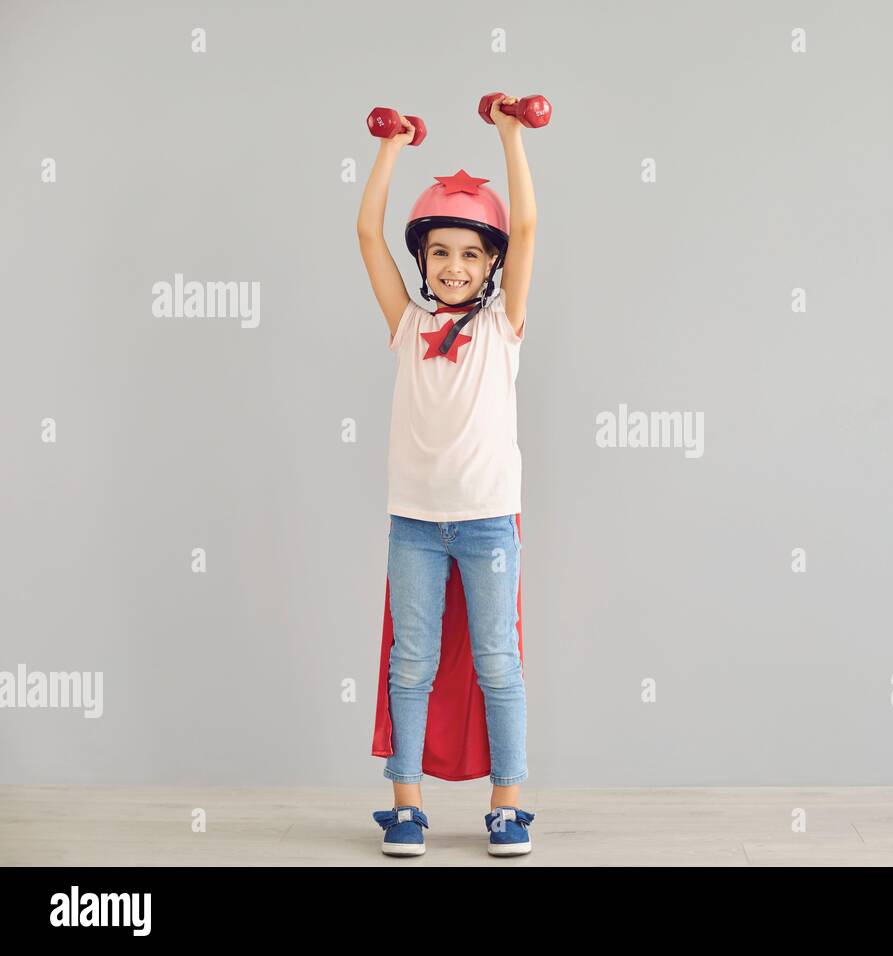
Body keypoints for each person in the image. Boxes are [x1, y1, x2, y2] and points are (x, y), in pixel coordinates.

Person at [356, 95, 538, 857]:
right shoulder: (408, 324)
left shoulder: (503, 325)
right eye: (439, 253)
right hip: (416, 522)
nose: (454, 266)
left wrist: (509, 137)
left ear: (492, 262)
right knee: (413, 660)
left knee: (498, 661)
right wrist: (392, 147)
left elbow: (527, 224)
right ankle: (406, 805)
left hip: (489, 518)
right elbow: (368, 234)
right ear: (423, 260)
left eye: (470, 253)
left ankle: (507, 805)